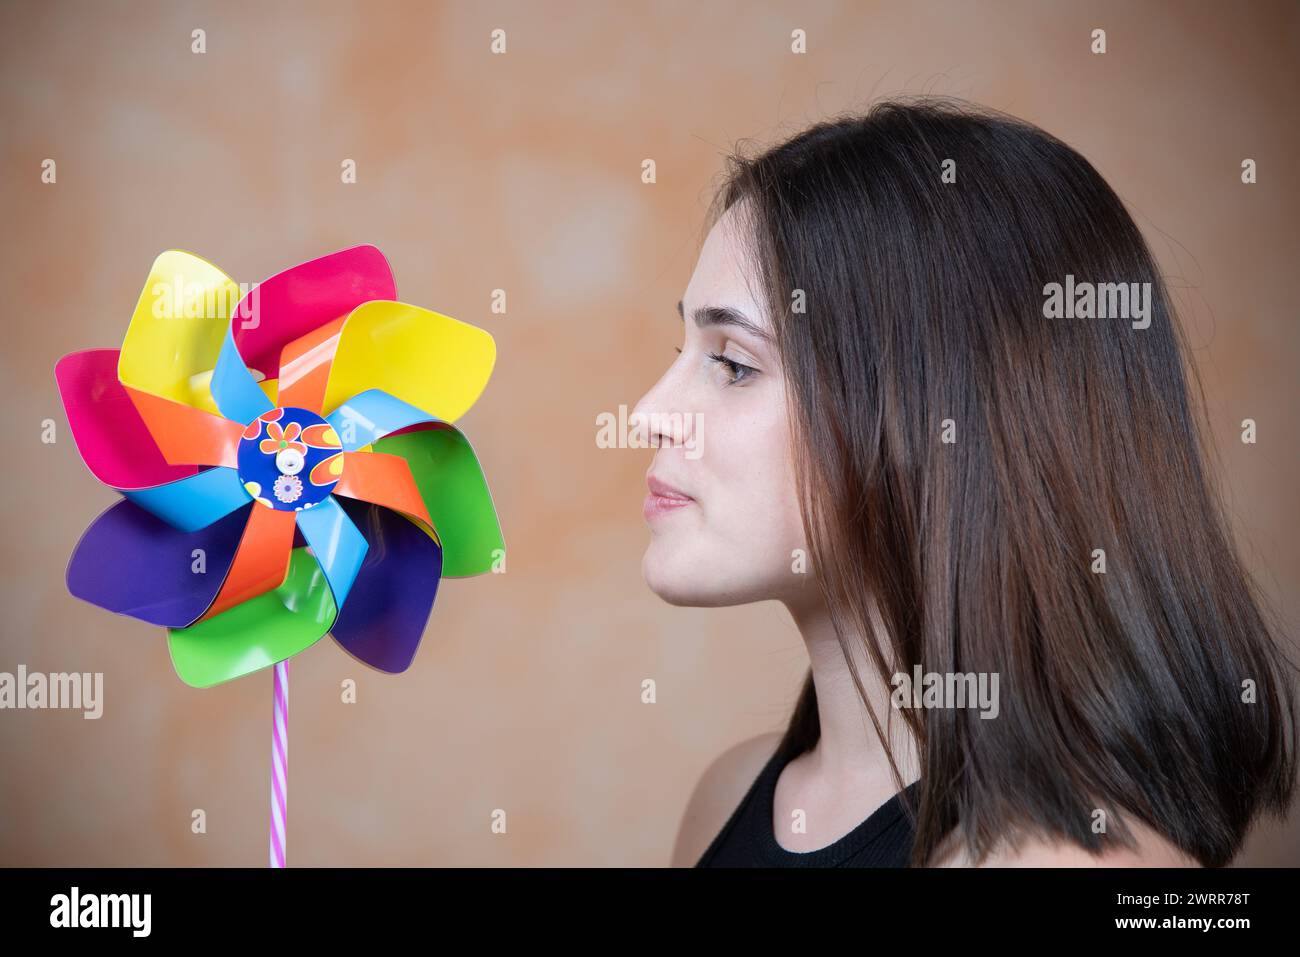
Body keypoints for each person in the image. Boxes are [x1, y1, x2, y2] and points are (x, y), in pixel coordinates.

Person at [632, 96, 1297, 867]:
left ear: (935, 417)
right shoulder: (727, 797)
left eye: (733, 362)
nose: (650, 411)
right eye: (684, 349)